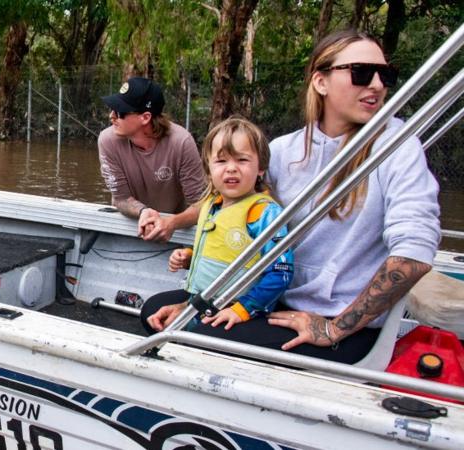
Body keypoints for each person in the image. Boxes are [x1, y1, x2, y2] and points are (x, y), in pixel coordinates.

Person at [146, 30, 440, 364]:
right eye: (361, 73)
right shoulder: (285, 149)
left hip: (339, 325)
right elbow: (229, 199)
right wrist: (173, 222)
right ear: (321, 81)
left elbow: (414, 255)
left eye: (384, 75)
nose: (376, 85)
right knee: (158, 311)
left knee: (181, 331)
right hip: (277, 300)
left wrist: (335, 329)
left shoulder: (399, 148)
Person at [142, 116, 293, 334]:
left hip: (240, 308)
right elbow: (225, 251)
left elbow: (282, 272)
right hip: (205, 301)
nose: (231, 169)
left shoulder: (263, 213)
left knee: (191, 333)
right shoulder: (213, 205)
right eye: (221, 161)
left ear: (260, 168)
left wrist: (242, 309)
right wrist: (189, 256)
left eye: (242, 160)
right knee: (153, 315)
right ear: (209, 169)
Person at [98, 77, 206, 242]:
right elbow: (121, 198)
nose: (111, 116)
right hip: (131, 225)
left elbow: (201, 204)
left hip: (176, 232)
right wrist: (144, 211)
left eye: (119, 112)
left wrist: (171, 223)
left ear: (145, 117)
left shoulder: (181, 142)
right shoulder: (107, 140)